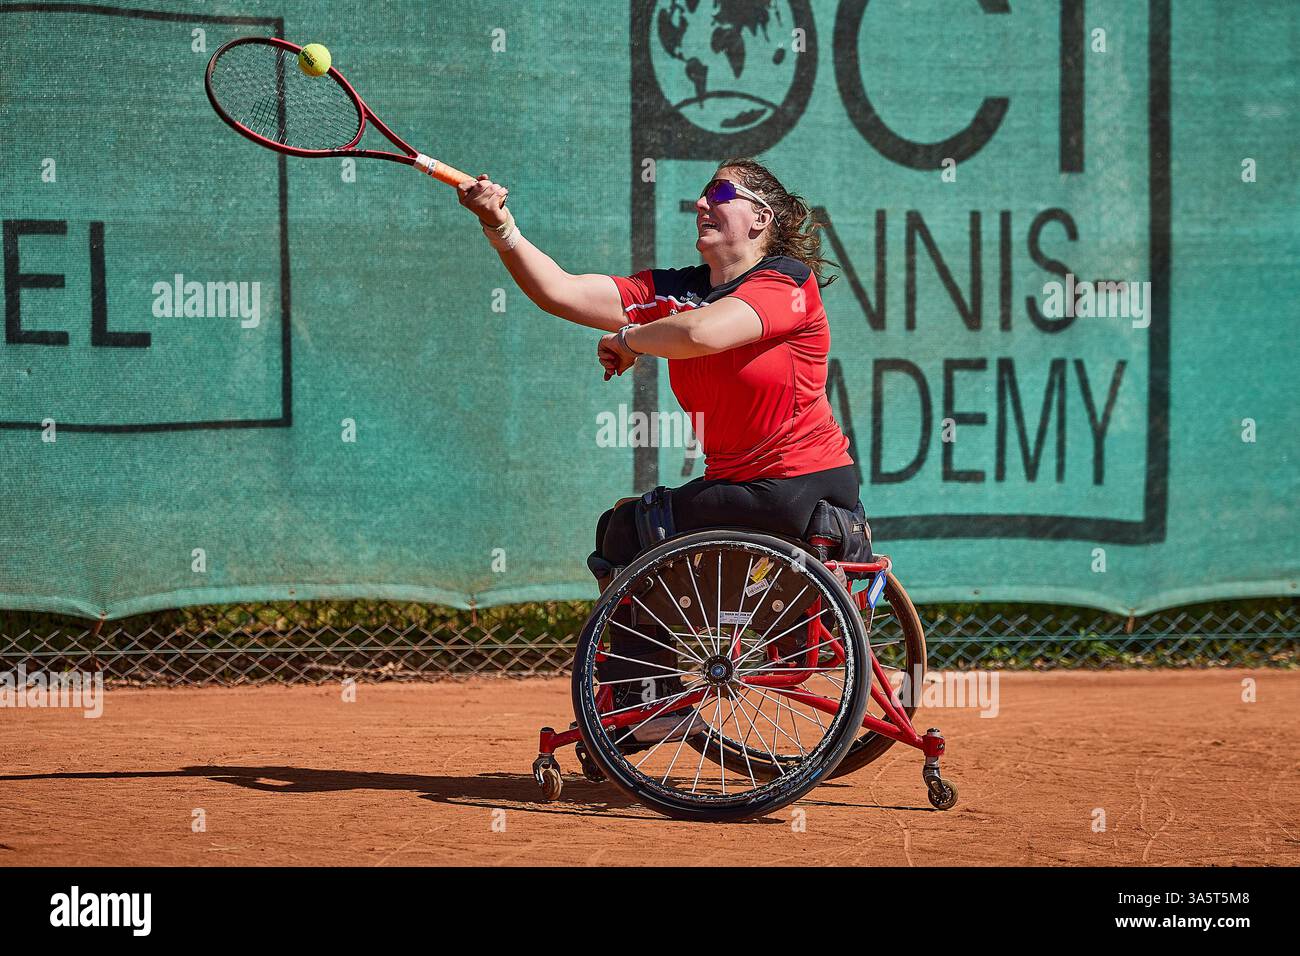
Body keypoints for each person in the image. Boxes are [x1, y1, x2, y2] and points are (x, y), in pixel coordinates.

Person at [457, 157, 860, 744]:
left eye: (719, 192)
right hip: (740, 491)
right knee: (637, 531)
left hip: (800, 485)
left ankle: (650, 702)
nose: (701, 203)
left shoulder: (785, 280)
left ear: (760, 218)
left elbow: (703, 333)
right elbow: (561, 292)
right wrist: (500, 225)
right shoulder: (675, 291)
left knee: (625, 530)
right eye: (700, 194)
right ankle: (654, 689)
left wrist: (628, 339)